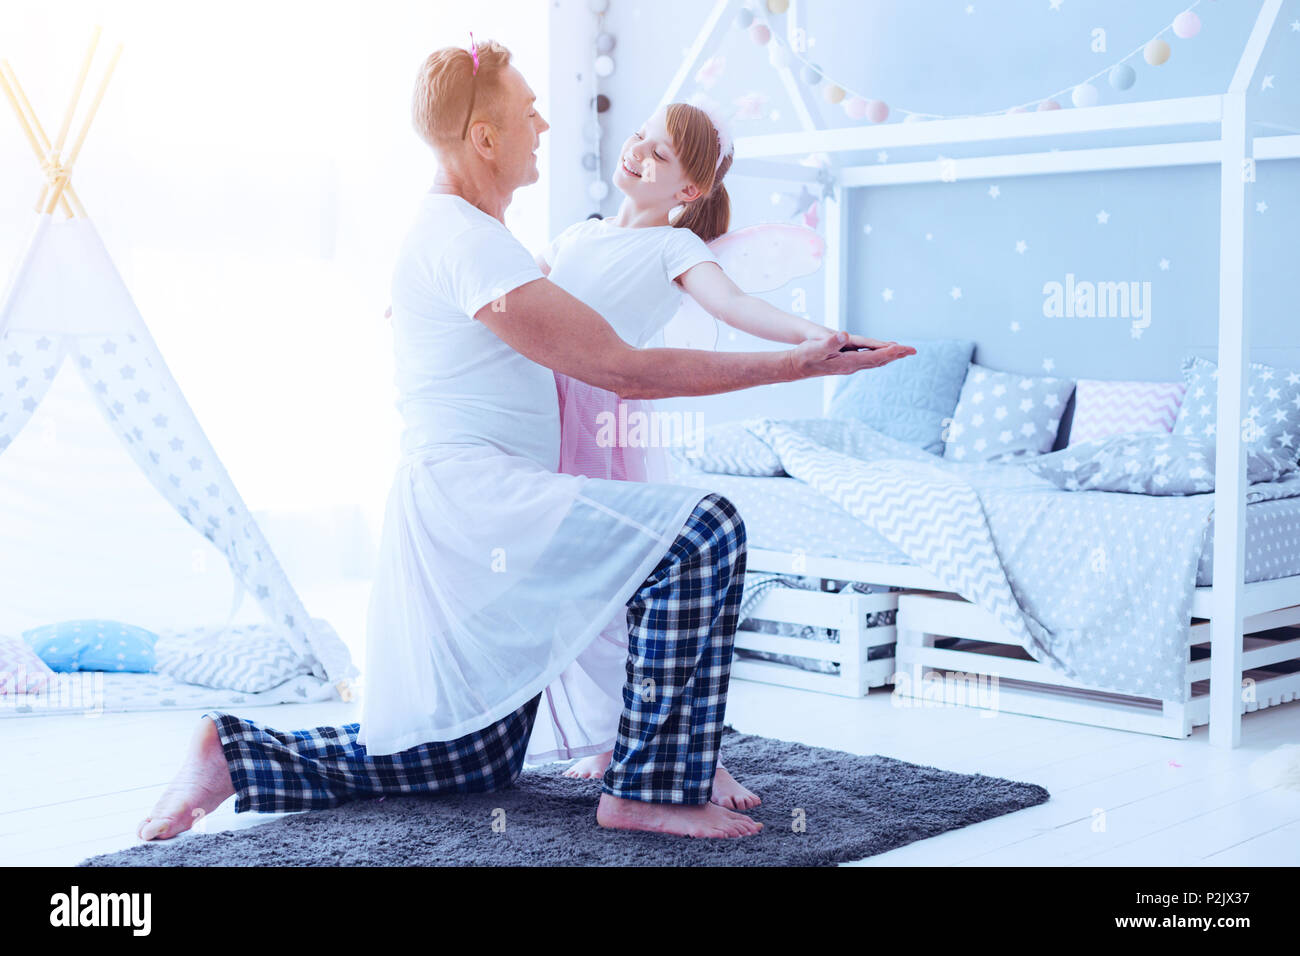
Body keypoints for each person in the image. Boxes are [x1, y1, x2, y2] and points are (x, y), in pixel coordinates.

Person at [137, 38, 914, 842]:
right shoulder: (468, 239)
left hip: (479, 502)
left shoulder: (482, 238)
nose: (545, 123)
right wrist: (790, 366)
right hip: (480, 498)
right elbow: (624, 370)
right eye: (529, 112)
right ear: (485, 140)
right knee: (703, 532)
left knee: (474, 758)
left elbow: (698, 308)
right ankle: (648, 786)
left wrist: (806, 339)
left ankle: (237, 751)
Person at [530, 101, 892, 814]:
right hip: (549, 417)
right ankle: (613, 737)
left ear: (687, 194)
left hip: (605, 426)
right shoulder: (578, 235)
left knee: (631, 590)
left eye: (659, 155)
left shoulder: (673, 250)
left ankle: (700, 754)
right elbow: (514, 295)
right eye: (641, 137)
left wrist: (812, 338)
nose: (637, 151)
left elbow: (735, 306)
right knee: (571, 592)